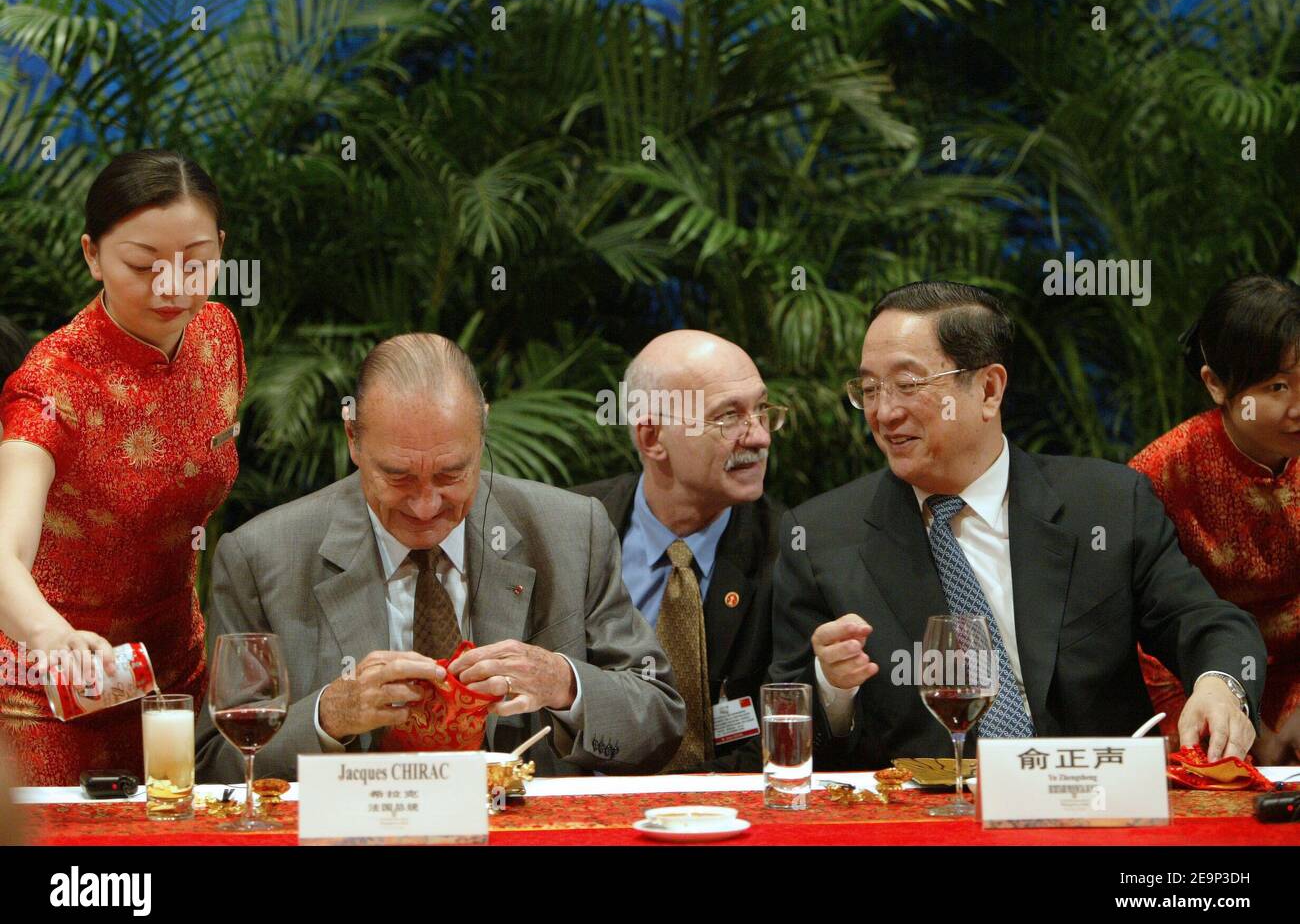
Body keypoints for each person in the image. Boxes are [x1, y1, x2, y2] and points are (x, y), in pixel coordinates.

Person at [769, 281, 1267, 769]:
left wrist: (1221, 685)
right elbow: (791, 739)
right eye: (870, 389)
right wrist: (834, 688)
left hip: (1090, 809)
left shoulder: (1106, 506)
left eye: (908, 385)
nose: (884, 411)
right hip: (924, 824)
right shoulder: (820, 539)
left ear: (988, 389)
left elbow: (1202, 621)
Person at [195, 333, 684, 782]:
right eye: (399, 476)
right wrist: (329, 715)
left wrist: (565, 684)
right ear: (353, 440)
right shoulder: (262, 557)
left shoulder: (571, 532)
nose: (426, 505)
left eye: (452, 475)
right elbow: (217, 765)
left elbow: (660, 720)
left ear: (483, 433)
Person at [0, 149, 246, 785]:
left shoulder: (218, 336)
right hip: (52, 694)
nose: (173, 287)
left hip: (175, 684)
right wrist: (52, 638)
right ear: (91, 255)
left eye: (196, 264)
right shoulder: (53, 383)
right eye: (142, 265)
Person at [575, 331, 785, 772]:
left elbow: (784, 736)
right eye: (728, 417)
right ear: (652, 437)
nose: (760, 437)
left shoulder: (792, 549)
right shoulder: (567, 532)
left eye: (762, 410)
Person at [1131, 274, 1300, 764]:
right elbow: (1137, 631)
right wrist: (1243, 719)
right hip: (1203, 692)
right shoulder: (1159, 474)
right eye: (1276, 387)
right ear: (1216, 384)